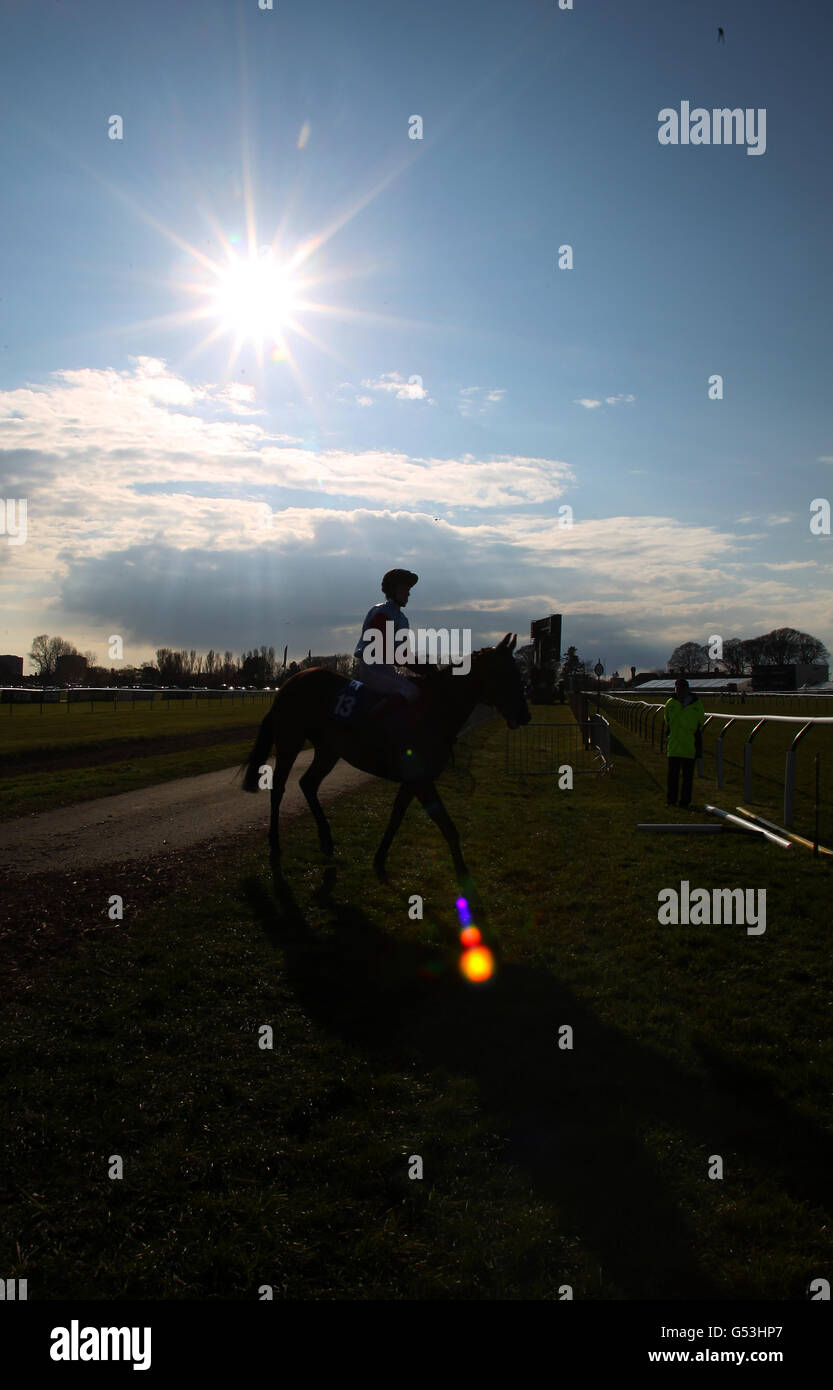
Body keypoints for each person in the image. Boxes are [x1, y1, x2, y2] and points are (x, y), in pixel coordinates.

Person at [353, 568, 422, 716]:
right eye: (405, 589)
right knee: (411, 690)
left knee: (417, 685)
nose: (408, 594)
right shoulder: (381, 612)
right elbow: (385, 651)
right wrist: (419, 666)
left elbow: (402, 652)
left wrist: (422, 665)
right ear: (394, 590)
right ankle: (371, 724)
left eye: (409, 589)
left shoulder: (402, 618)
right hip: (371, 669)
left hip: (386, 669)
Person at [663, 677, 705, 809]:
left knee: (687, 778)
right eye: (677, 689)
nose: (679, 692)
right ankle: (671, 800)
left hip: (689, 747)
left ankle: (685, 802)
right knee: (672, 777)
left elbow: (700, 723)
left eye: (681, 689)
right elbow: (667, 720)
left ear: (687, 689)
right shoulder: (670, 703)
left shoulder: (696, 705)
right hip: (674, 746)